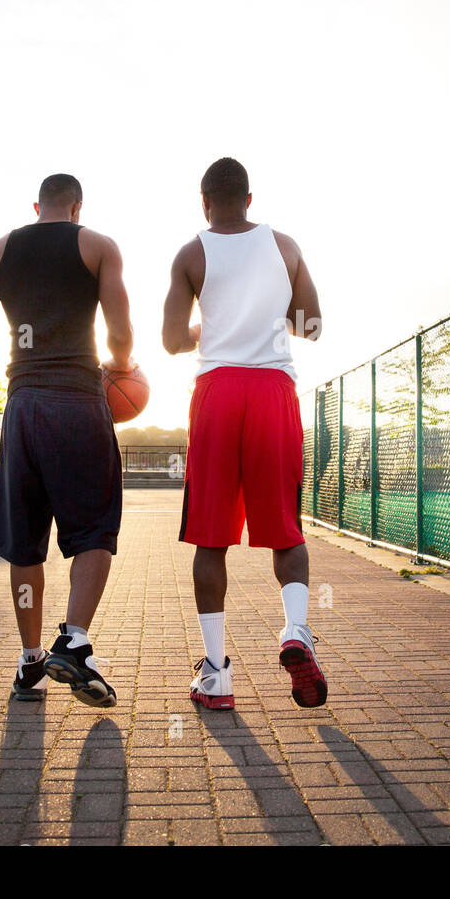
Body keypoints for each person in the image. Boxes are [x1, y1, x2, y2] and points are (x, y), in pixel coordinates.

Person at [0, 173, 134, 707]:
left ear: (37, 206)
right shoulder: (98, 246)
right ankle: (75, 642)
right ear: (77, 207)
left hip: (22, 405)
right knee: (94, 530)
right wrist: (123, 368)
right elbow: (121, 333)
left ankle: (31, 658)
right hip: (78, 402)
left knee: (24, 542)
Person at [162, 157, 326, 710]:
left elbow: (169, 341)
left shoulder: (190, 254)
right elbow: (312, 326)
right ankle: (296, 631)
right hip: (273, 392)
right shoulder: (285, 246)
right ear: (249, 199)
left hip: (218, 393)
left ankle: (216, 675)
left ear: (204, 201)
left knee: (211, 538)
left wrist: (213, 325)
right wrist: (262, 316)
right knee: (285, 530)